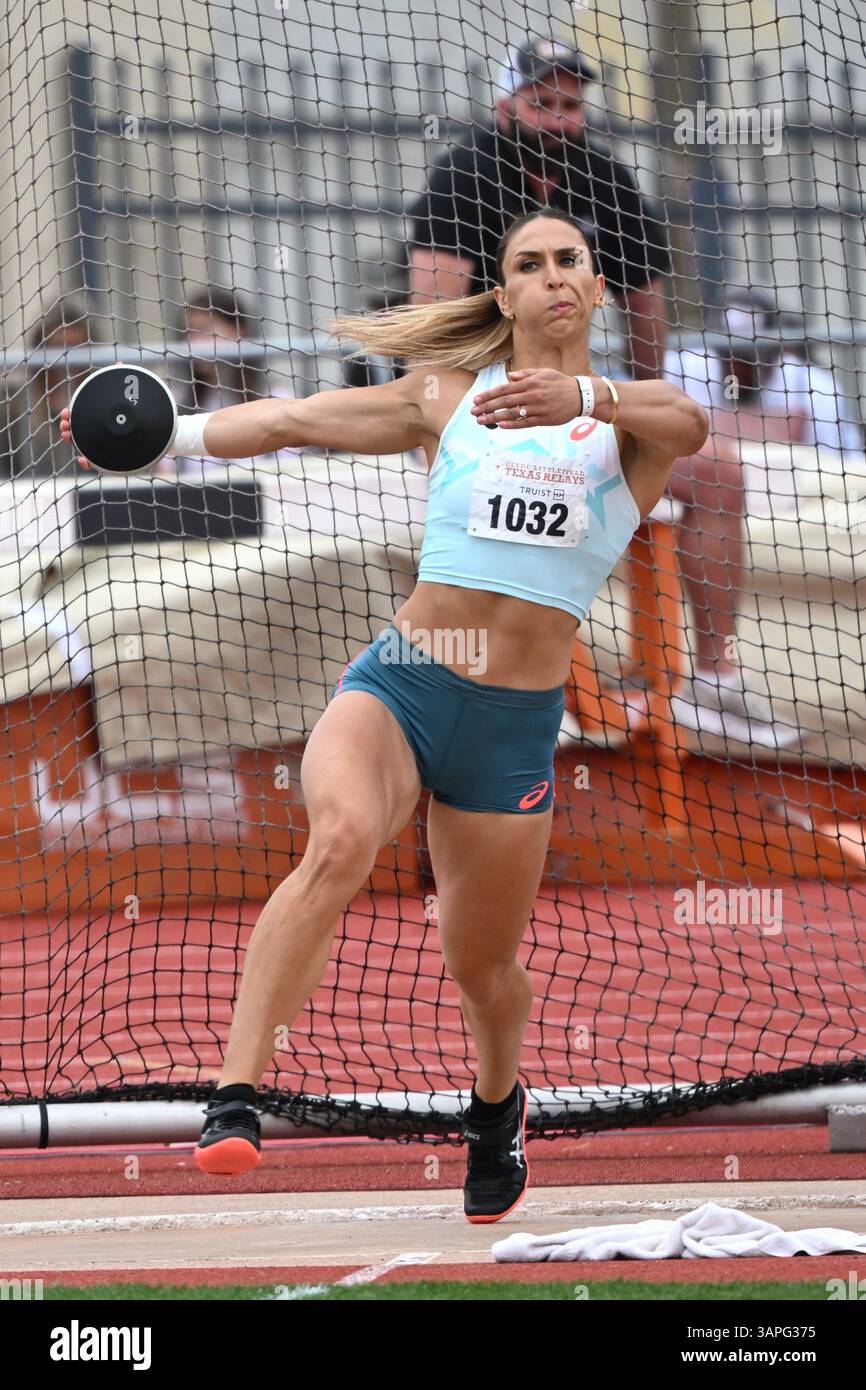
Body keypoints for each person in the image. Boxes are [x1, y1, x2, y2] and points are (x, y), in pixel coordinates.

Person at [63, 209, 708, 1223]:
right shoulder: (446, 396)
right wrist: (159, 433)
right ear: (501, 296)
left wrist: (583, 393)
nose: (548, 277)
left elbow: (690, 425)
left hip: (511, 728)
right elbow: (283, 421)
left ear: (591, 287)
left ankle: (494, 1107)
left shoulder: (627, 426)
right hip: (405, 680)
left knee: (482, 966)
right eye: (526, 264)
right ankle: (235, 1097)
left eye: (566, 262)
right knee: (341, 841)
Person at [406, 37, 671, 380]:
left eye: (571, 105)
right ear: (505, 109)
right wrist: (442, 414)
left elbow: (643, 301)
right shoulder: (462, 177)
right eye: (541, 104)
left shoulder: (605, 178)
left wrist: (643, 402)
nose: (557, 122)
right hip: (474, 376)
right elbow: (434, 319)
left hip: (567, 382)